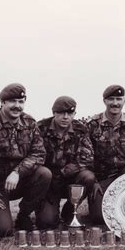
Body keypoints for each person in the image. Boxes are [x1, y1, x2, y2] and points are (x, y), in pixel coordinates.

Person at [0, 83, 51, 236]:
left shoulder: (29, 122)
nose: (17, 106)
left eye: (21, 102)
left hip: (18, 181)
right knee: (2, 230)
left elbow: (39, 153)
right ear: (2, 103)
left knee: (44, 174)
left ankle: (24, 216)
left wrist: (17, 172)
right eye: (12, 101)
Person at [86, 84, 125, 224]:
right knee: (99, 217)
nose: (115, 103)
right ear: (104, 101)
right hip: (101, 178)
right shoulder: (92, 124)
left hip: (124, 176)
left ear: (124, 101)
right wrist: (94, 182)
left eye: (119, 99)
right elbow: (85, 157)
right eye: (111, 99)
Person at [36, 96, 95, 229]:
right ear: (54, 113)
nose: (65, 117)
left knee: (88, 177)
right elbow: (35, 155)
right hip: (48, 182)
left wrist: (65, 171)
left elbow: (87, 157)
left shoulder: (80, 129)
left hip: (69, 179)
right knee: (47, 223)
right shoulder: (41, 128)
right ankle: (45, 208)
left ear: (74, 114)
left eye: (69, 113)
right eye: (61, 113)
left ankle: (70, 209)